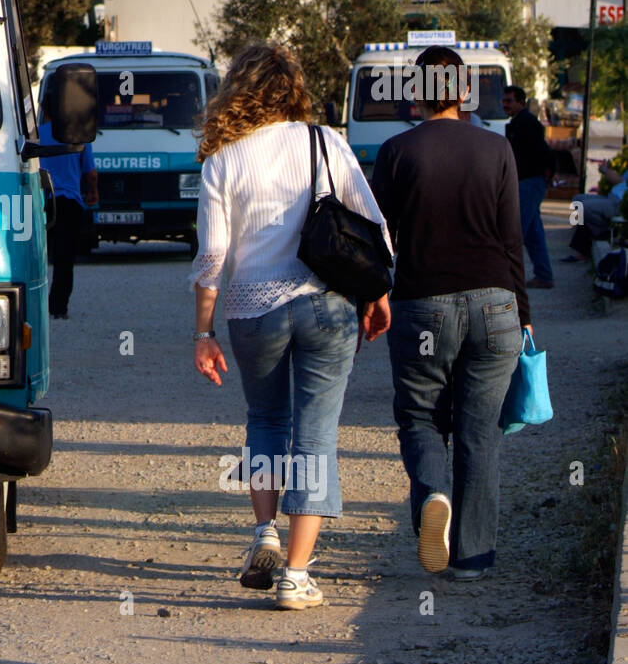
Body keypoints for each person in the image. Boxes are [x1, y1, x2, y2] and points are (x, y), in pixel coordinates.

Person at [192, 43, 391, 611]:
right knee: (316, 434)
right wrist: (377, 294)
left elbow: (211, 259)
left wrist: (202, 333)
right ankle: (296, 577)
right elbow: (372, 225)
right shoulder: (325, 141)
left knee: (266, 419)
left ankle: (264, 535)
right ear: (294, 89)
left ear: (237, 92)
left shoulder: (222, 158)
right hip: (326, 302)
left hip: (252, 309)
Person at [372, 47, 528, 582]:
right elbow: (512, 238)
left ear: (416, 91)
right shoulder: (496, 149)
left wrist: (373, 296)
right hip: (496, 303)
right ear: (463, 93)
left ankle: (434, 493)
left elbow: (376, 238)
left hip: (422, 307)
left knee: (420, 419)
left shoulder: (396, 152)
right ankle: (472, 559)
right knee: (481, 432)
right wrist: (523, 313)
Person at [37, 109, 98, 319]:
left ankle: (34, 305)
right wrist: (93, 193)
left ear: (46, 110)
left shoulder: (36, 134)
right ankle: (58, 307)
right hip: (70, 202)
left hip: (41, 202)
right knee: (65, 259)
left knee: (37, 256)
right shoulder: (79, 134)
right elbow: (90, 172)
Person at [502, 84, 554, 288]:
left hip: (529, 182)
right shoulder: (518, 123)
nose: (505, 105)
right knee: (533, 232)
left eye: (509, 101)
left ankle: (507, 278)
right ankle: (544, 275)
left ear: (521, 102)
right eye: (504, 100)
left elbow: (541, 151)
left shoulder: (526, 124)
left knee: (516, 230)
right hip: (528, 181)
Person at [563, 155, 626, 262]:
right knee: (577, 200)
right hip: (611, 197)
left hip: (619, 204)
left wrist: (605, 170)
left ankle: (603, 233)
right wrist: (606, 170)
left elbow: (618, 180)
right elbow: (620, 181)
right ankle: (582, 248)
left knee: (584, 207)